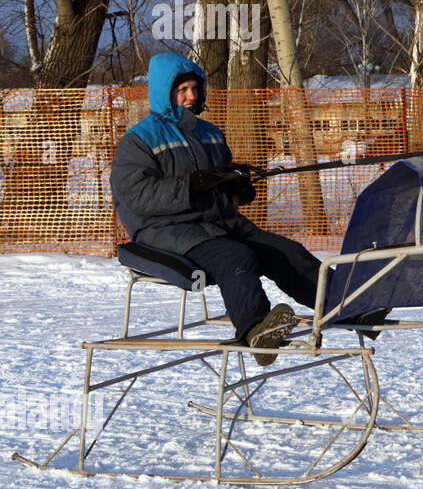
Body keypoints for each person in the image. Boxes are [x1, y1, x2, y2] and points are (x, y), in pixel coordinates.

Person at [110, 52, 383, 365]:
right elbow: (135, 196)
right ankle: (255, 328)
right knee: (236, 257)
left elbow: (220, 180)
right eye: (182, 90)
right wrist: (189, 184)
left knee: (286, 251)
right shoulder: (139, 140)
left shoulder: (209, 132)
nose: (190, 96)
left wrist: (236, 184)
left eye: (194, 89)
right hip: (167, 232)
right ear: (165, 93)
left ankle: (348, 305)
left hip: (219, 224)